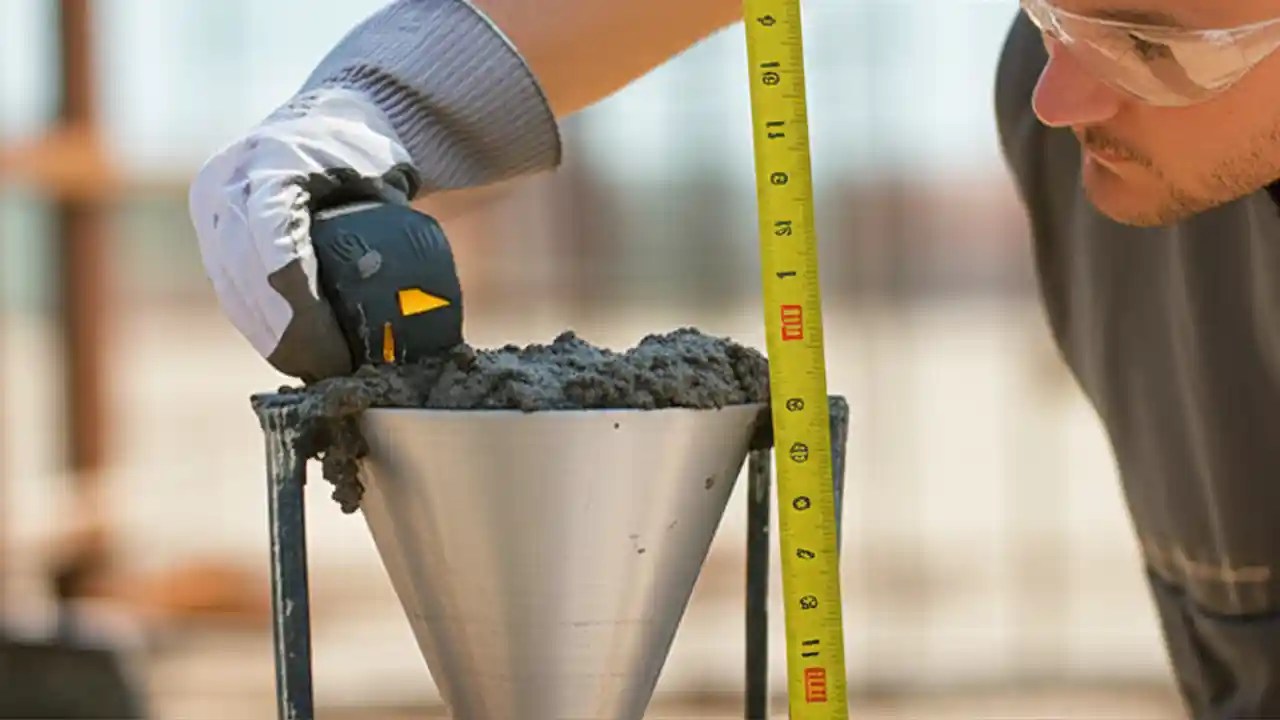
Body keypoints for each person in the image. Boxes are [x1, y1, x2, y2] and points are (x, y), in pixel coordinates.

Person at [187, 1, 1280, 717]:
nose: (1061, 95)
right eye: (1055, 12)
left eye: (1150, 46)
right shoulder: (1103, 143)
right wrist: (391, 96)